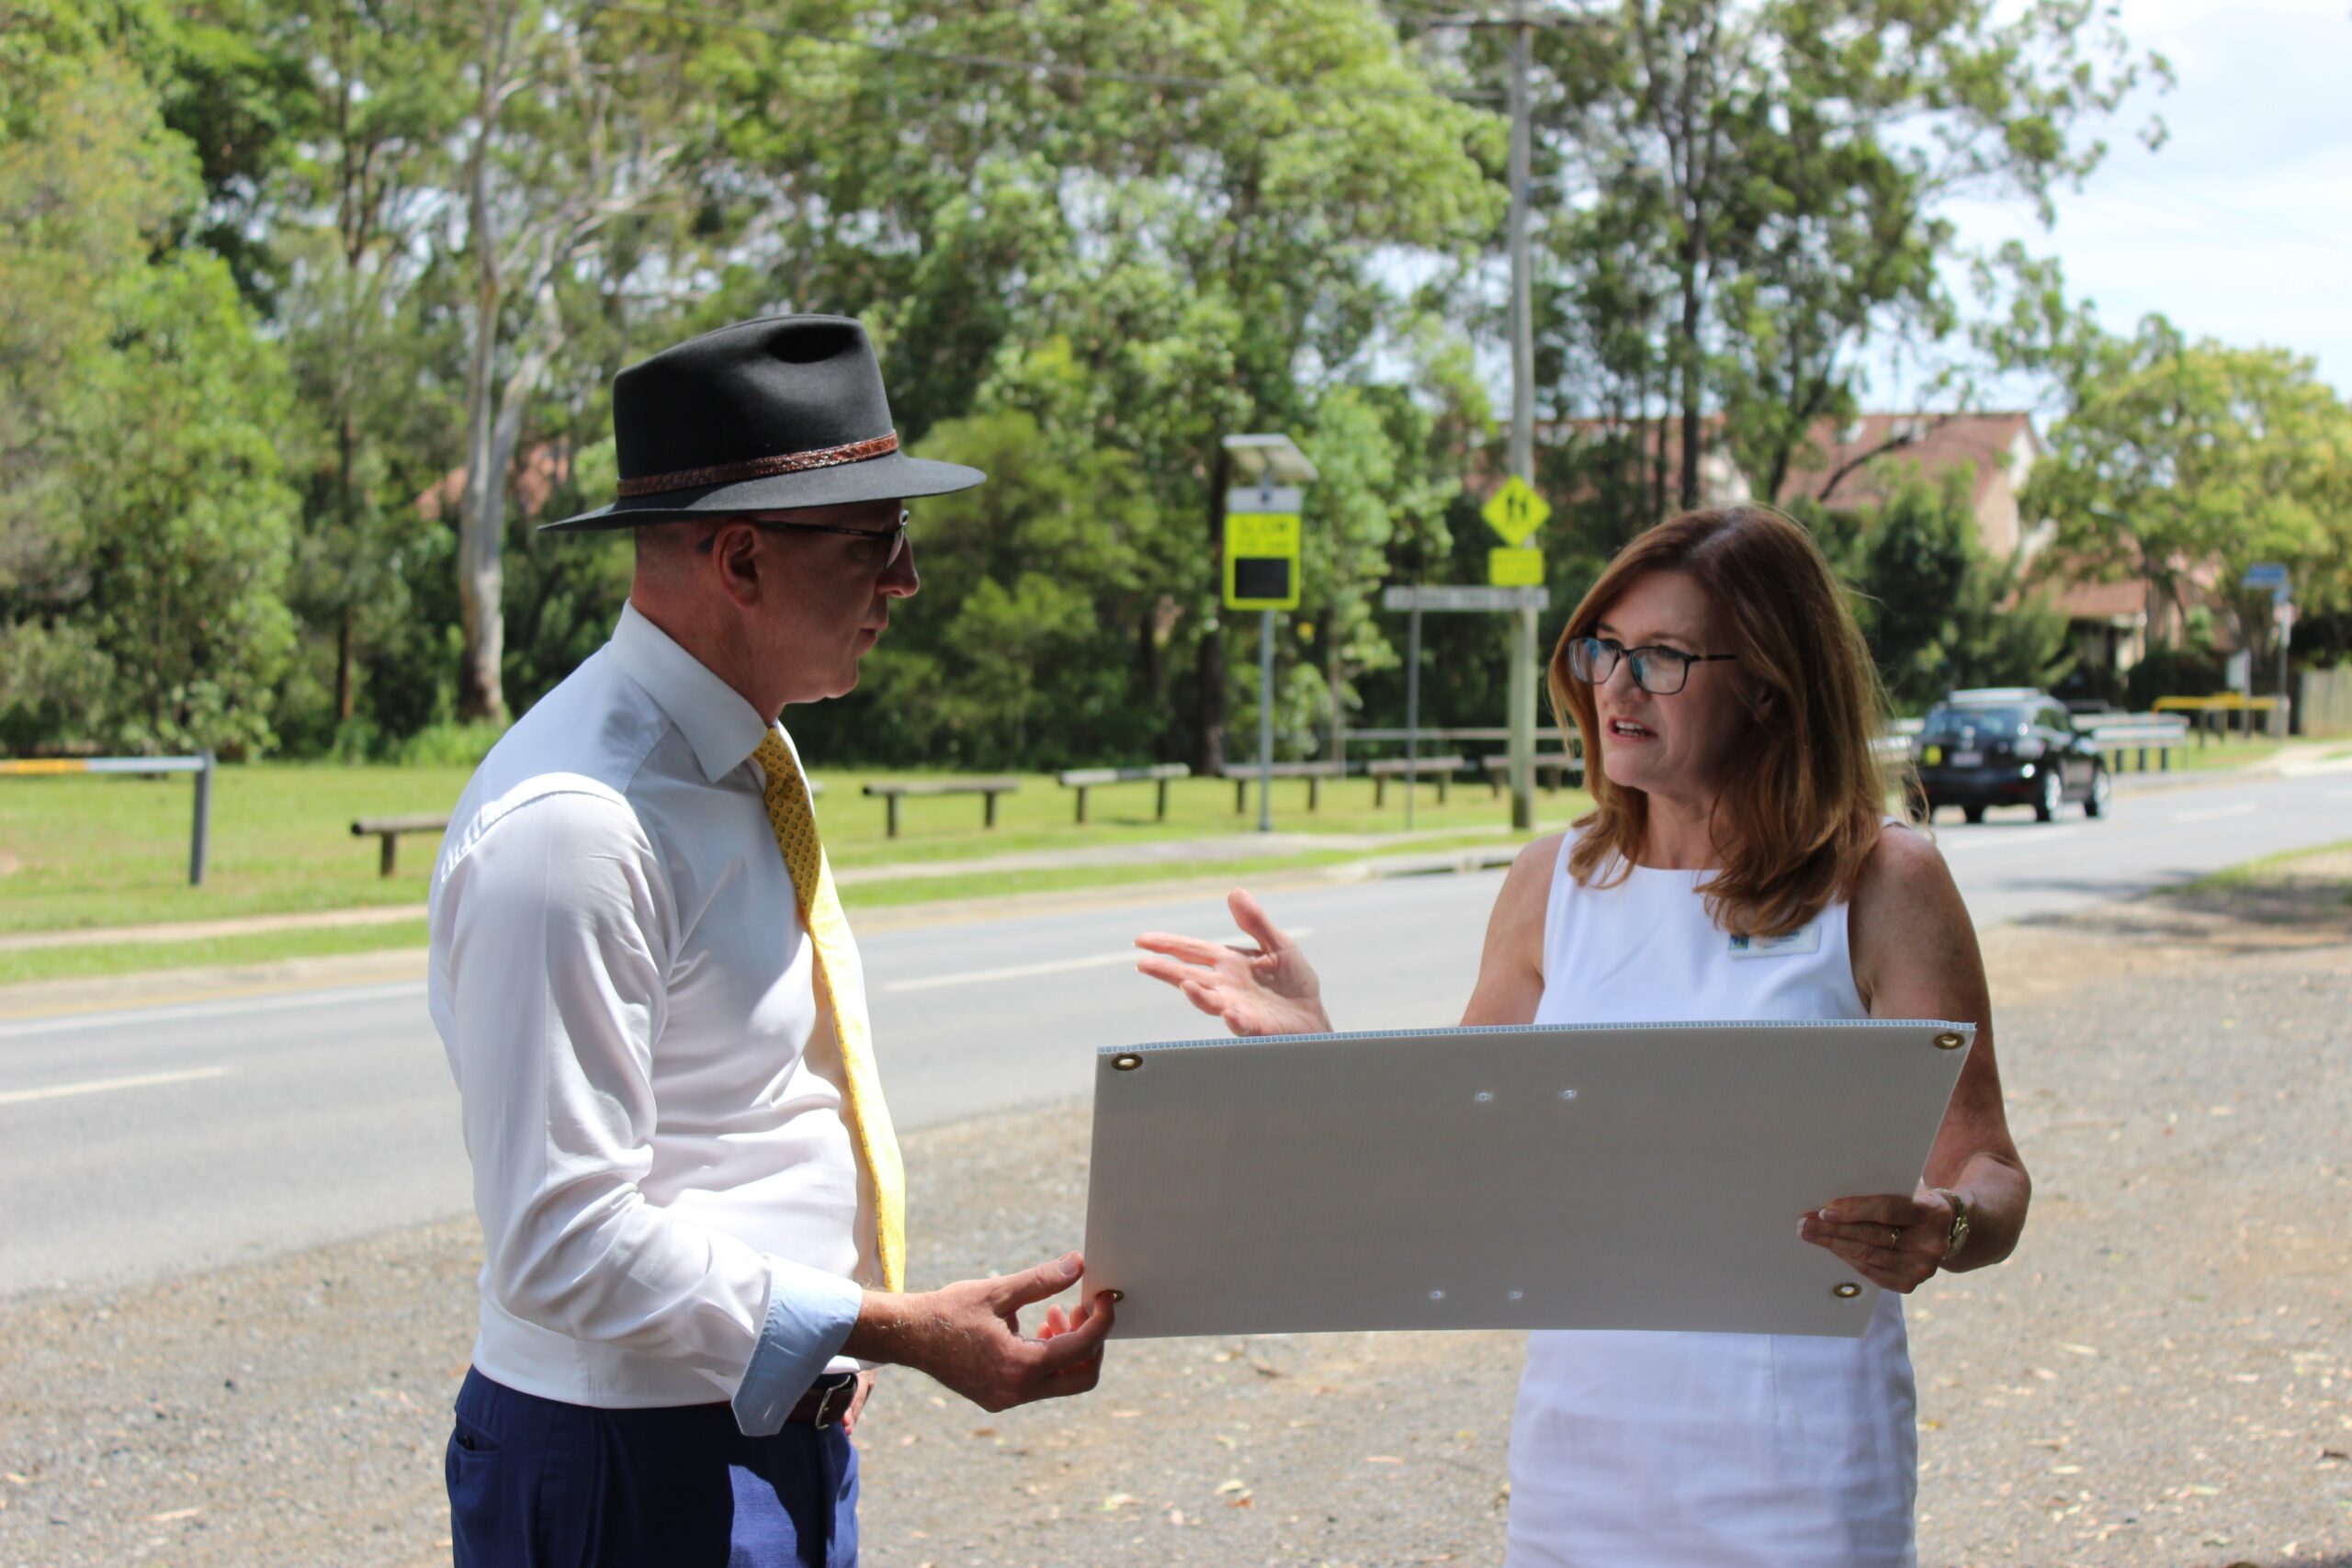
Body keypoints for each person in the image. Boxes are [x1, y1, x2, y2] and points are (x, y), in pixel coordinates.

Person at [1134, 505, 2029, 1566]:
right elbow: (1453, 1158)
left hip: (1804, 1467)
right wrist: (1316, 1047)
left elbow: (1989, 1172)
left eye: (1662, 657)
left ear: (1770, 684)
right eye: (1603, 649)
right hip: (1581, 1464)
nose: (1616, 686)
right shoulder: (1548, 882)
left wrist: (1948, 1225)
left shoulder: (1884, 881)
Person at [428, 315, 1113, 1568]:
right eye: (873, 539)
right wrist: (886, 1324)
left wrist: (835, 1343)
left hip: (757, 1427)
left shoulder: (746, 747)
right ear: (740, 559)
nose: (905, 579)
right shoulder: (579, 826)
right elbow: (560, 1239)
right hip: (632, 1467)